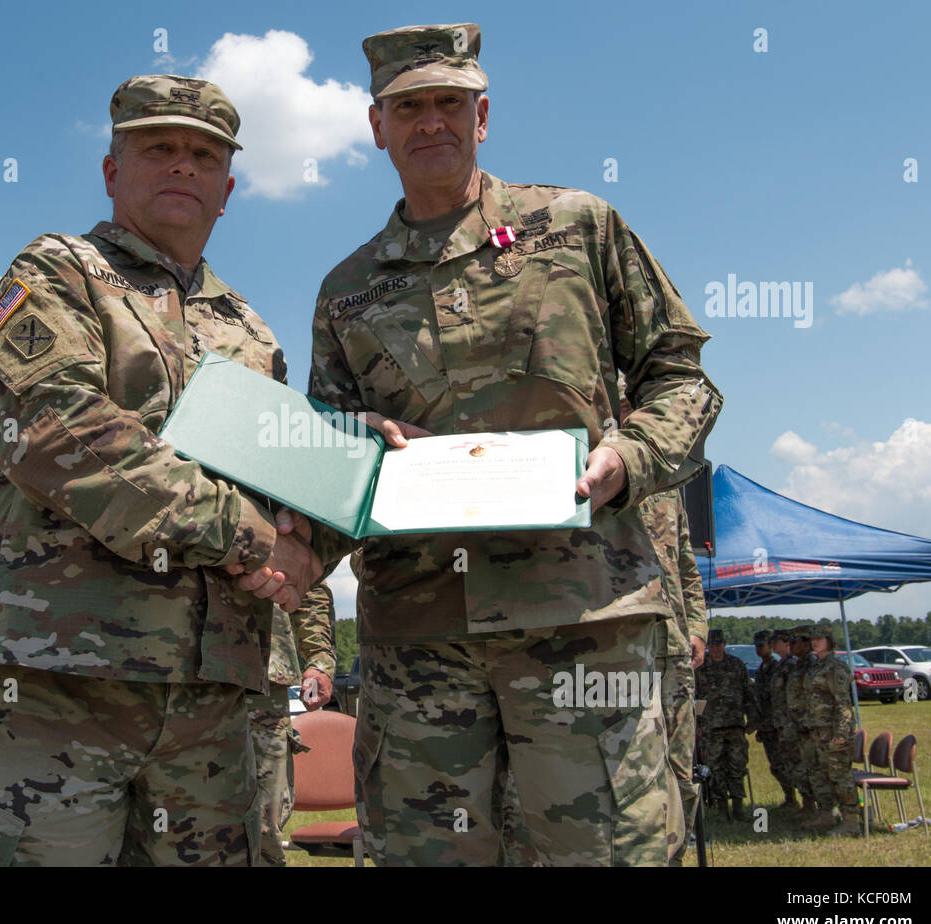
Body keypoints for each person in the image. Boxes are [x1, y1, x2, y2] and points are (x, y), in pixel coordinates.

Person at [295, 23, 723, 865]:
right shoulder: (346, 290)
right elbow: (326, 448)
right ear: (376, 125)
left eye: (448, 104)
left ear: (481, 115)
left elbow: (683, 379)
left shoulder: (577, 227)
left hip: (581, 617)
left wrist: (627, 460)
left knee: (606, 850)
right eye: (407, 107)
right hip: (419, 637)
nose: (430, 124)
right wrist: (350, 445)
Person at [0, 74, 325, 866]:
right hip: (61, 681)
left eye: (204, 156)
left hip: (220, 701)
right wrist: (250, 538)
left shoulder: (248, 327)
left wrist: (332, 482)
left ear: (228, 189)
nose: (184, 166)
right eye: (160, 148)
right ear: (113, 172)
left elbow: (281, 474)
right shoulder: (56, 273)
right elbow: (55, 431)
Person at [639, 487, 706, 864]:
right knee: (631, 766)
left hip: (675, 650)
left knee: (680, 768)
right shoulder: (592, 465)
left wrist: (697, 627)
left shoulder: (668, 489)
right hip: (622, 651)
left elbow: (687, 566)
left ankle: (675, 855)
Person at [248, 588, 335, 865]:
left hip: (261, 678)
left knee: (263, 824)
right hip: (164, 674)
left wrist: (319, 659)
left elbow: (308, 580)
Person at [695, 630, 758, 822]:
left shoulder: (736, 665)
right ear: (707, 646)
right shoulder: (701, 668)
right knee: (715, 769)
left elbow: (748, 693)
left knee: (737, 767)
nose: (715, 648)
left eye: (718, 644)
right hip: (710, 729)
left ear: (724, 644)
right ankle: (722, 810)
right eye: (711, 645)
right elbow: (693, 698)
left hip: (735, 726)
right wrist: (696, 724)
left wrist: (753, 719)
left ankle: (738, 809)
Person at [802, 625, 859, 833]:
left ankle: (852, 821)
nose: (815, 642)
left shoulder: (835, 667)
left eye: (820, 638)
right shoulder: (817, 666)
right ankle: (827, 814)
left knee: (840, 777)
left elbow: (843, 703)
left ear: (829, 640)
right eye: (812, 638)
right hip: (819, 731)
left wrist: (841, 735)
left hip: (835, 732)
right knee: (821, 775)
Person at [784, 628, 820, 826]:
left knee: (812, 766)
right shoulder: (800, 664)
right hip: (798, 724)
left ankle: (818, 808)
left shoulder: (812, 663)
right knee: (801, 767)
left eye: (795, 642)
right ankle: (808, 805)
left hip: (808, 724)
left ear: (806, 643)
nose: (792, 646)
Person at [752, 629, 789, 805]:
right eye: (756, 646)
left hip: (779, 724)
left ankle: (802, 800)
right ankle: (790, 798)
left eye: (762, 646)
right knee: (776, 765)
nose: (758, 650)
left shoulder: (777, 667)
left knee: (786, 763)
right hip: (767, 726)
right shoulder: (760, 670)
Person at [766, 629, 801, 813]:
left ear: (786, 642)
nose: (772, 644)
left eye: (776, 641)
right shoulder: (780, 665)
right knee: (784, 763)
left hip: (791, 723)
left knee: (797, 763)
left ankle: (809, 804)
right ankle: (792, 799)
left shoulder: (792, 664)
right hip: (781, 723)